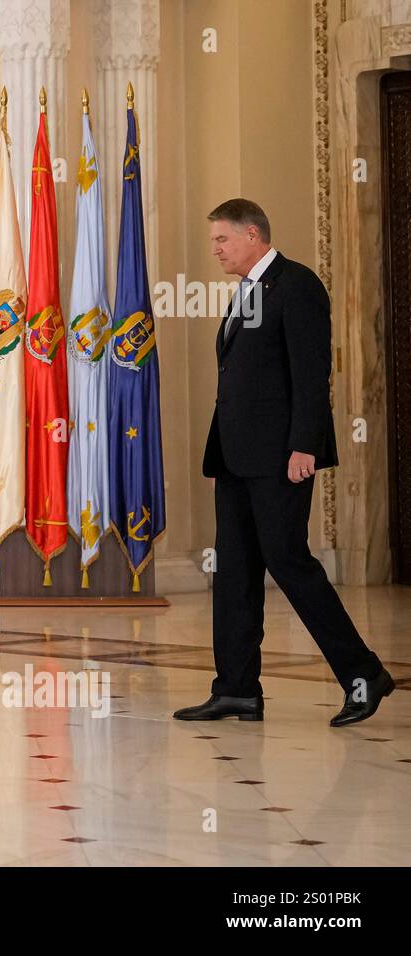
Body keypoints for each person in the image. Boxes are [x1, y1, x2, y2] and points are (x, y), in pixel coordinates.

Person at [174, 199, 392, 727]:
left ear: (253, 235)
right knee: (234, 573)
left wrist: (305, 447)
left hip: (280, 458)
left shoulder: (297, 286)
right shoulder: (246, 292)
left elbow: (313, 374)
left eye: (222, 240)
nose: (216, 250)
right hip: (235, 458)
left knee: (288, 563)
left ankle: (364, 675)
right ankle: (236, 689)